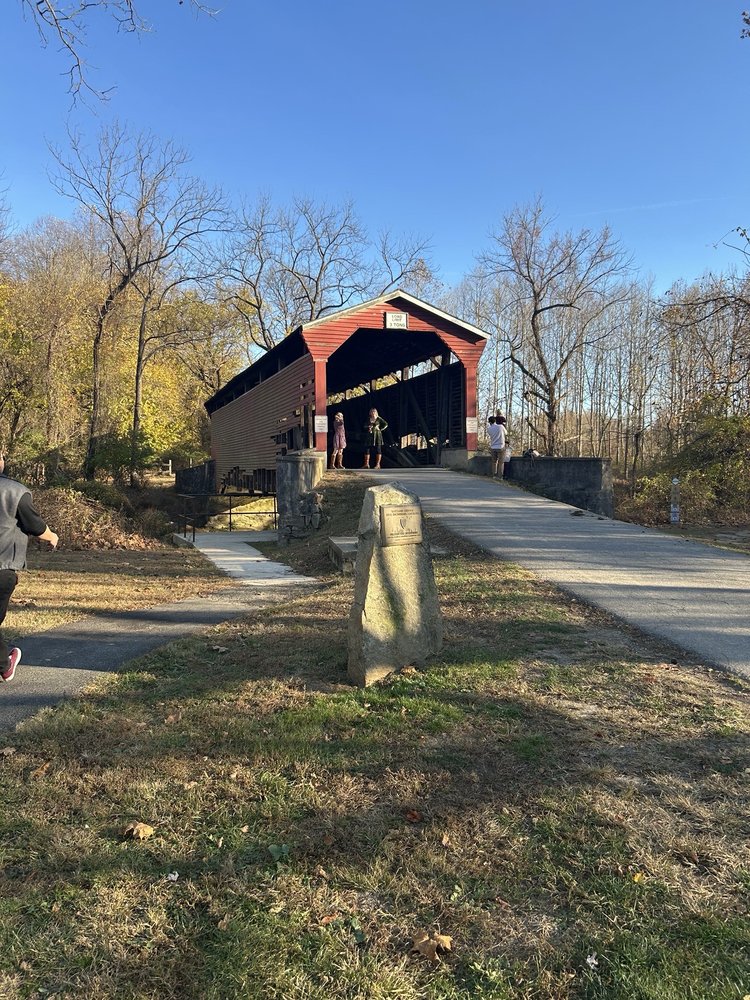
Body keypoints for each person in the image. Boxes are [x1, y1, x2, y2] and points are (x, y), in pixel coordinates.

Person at [0, 452, 59, 683]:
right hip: (3, 567)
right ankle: (5, 665)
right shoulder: (15, 491)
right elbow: (34, 524)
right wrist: (51, 536)